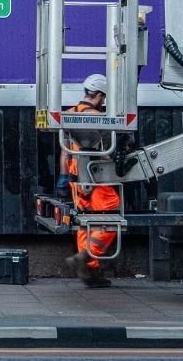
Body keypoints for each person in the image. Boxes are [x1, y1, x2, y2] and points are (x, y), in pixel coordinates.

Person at [61, 73, 120, 289]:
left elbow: (64, 153)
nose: (104, 101)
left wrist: (63, 178)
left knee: (85, 223)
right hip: (96, 178)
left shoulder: (69, 114)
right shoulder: (97, 117)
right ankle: (84, 257)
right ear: (99, 95)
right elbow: (106, 153)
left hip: (75, 179)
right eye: (104, 97)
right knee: (111, 218)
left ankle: (88, 270)